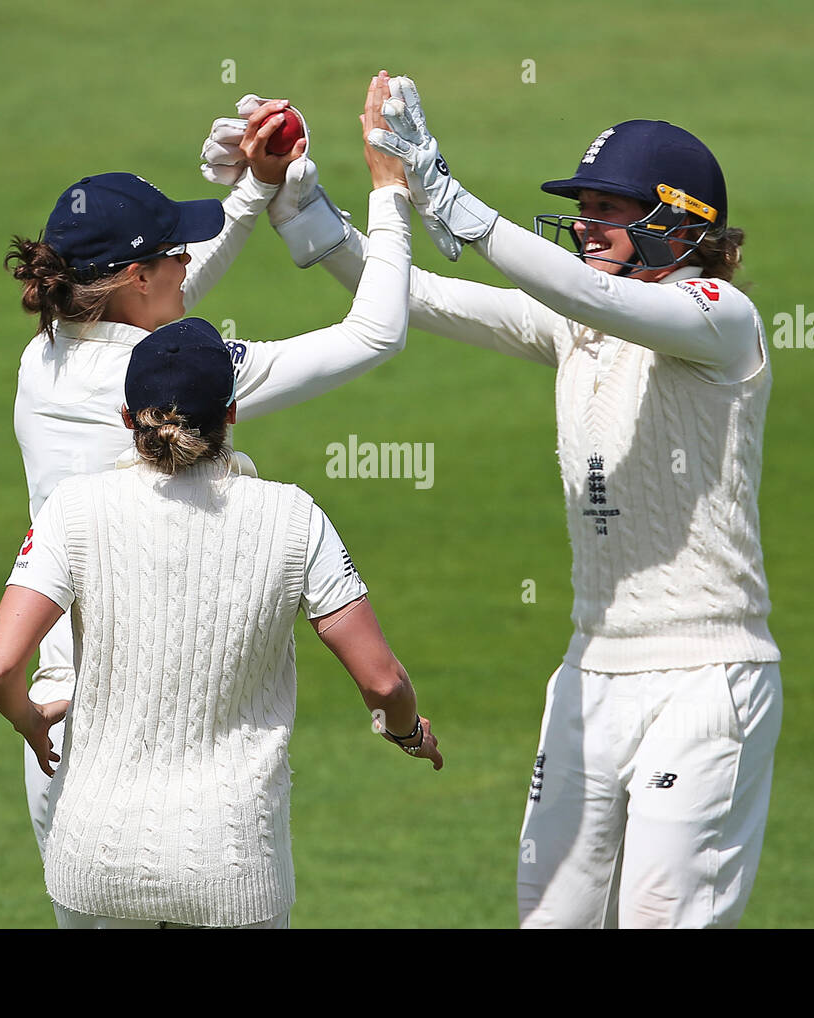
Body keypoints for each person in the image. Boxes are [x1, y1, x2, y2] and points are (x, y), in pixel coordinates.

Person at [213, 71, 781, 928]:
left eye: (611, 208)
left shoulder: (720, 318)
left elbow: (583, 290)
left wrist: (441, 189)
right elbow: (422, 294)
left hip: (707, 674)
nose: (587, 221)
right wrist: (304, 208)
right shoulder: (577, 323)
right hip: (593, 668)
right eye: (584, 203)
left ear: (681, 221)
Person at [5, 89, 419, 865]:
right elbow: (375, 332)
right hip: (172, 746)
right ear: (133, 276)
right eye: (171, 252)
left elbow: (168, 299)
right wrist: (392, 195)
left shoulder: (46, 354)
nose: (188, 261)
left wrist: (257, 189)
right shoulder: (165, 376)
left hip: (61, 734)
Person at [0, 314, 442, 930]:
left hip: (96, 863)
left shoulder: (74, 509)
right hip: (233, 868)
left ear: (127, 417)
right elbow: (382, 683)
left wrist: (32, 722)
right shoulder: (294, 517)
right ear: (229, 415)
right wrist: (408, 733)